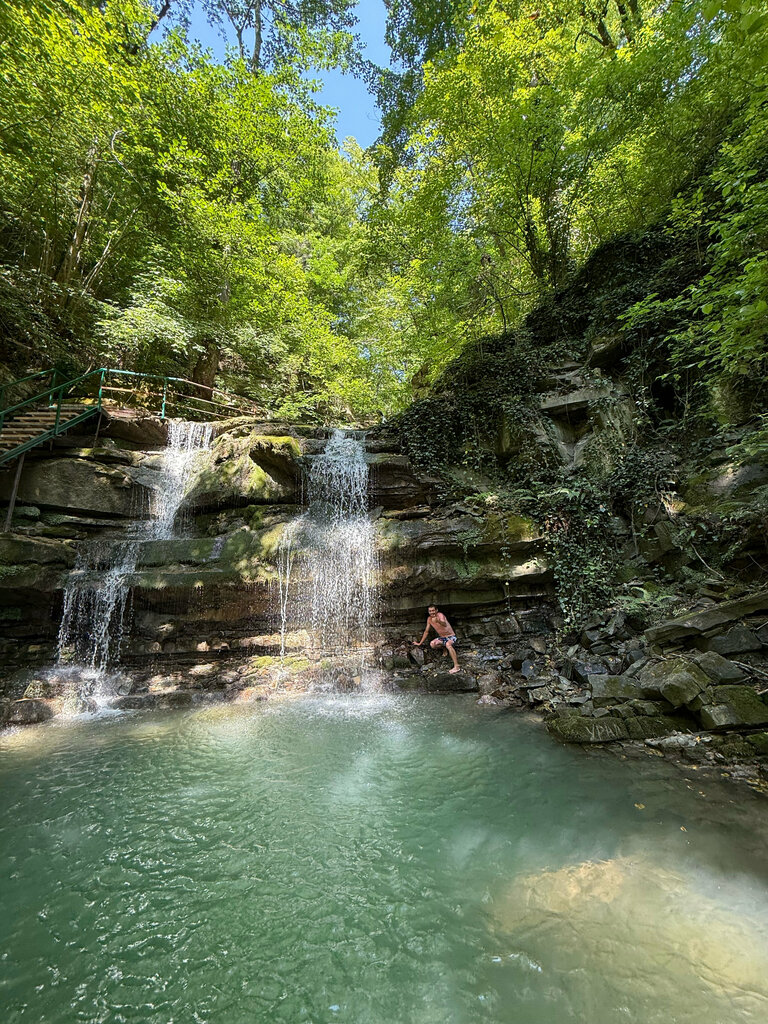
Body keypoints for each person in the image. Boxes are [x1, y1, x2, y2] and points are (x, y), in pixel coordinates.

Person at [413, 604, 461, 673]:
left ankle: (457, 666)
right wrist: (419, 643)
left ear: (436, 610)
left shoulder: (440, 615)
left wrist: (438, 621)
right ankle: (444, 648)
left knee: (448, 644)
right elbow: (426, 632)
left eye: (433, 610)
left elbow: (444, 624)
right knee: (432, 644)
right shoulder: (429, 619)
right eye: (430, 611)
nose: (432, 612)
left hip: (451, 637)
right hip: (442, 638)